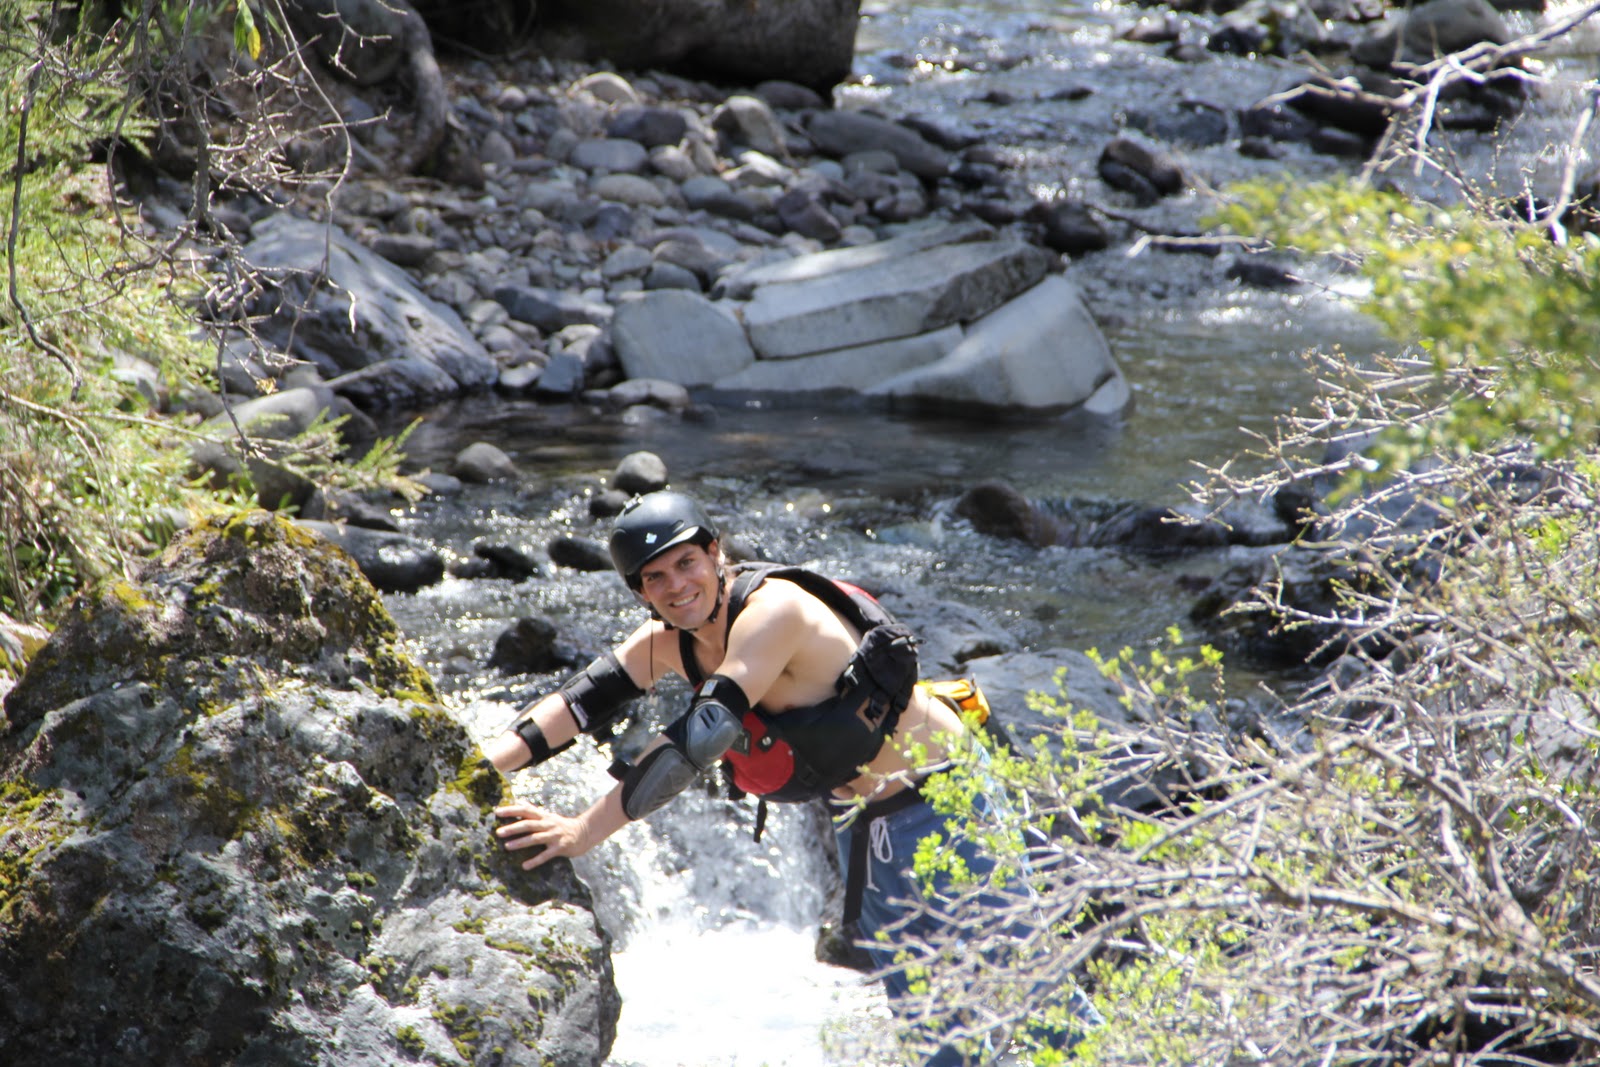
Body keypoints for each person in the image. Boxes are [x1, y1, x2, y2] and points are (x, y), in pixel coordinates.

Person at [486, 490, 1095, 1064]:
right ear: (639, 590)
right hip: (863, 822)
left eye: (686, 563)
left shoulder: (774, 611)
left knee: (1028, 984)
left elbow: (702, 735)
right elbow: (578, 703)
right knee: (922, 1007)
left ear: (715, 553)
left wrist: (581, 832)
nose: (677, 585)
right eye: (655, 577)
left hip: (945, 797)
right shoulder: (667, 642)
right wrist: (482, 766)